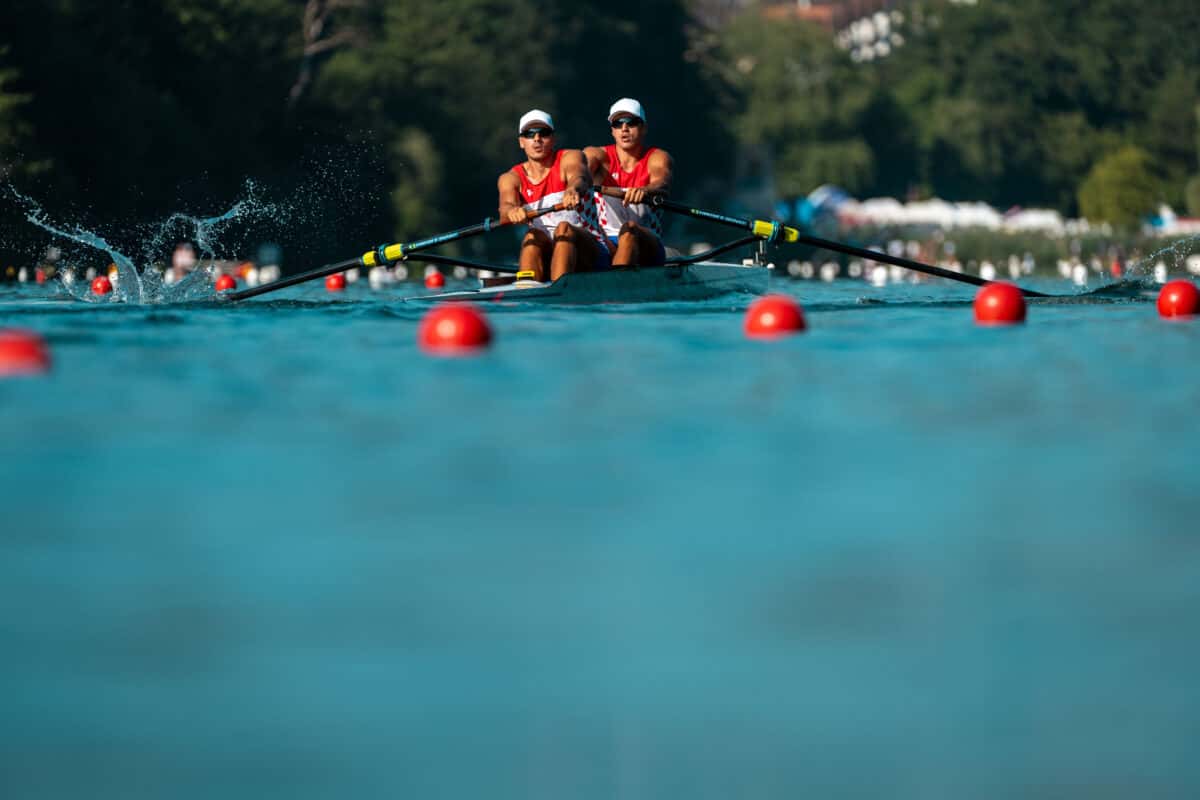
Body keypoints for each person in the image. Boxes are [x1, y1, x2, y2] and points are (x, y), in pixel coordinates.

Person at [497, 110, 610, 282]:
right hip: (548, 252)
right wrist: (512, 211)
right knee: (531, 236)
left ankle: (558, 293)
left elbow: (580, 176)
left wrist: (573, 189)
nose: (537, 139)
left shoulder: (570, 157)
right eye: (529, 134)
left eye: (543, 133)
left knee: (563, 228)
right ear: (521, 142)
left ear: (553, 138)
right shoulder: (510, 178)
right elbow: (505, 206)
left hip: (591, 251)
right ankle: (527, 288)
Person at [584, 98, 674, 267]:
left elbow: (662, 183)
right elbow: (581, 169)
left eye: (631, 123)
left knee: (629, 229)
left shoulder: (657, 157)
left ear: (644, 128)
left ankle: (617, 283)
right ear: (612, 131)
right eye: (618, 123)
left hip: (647, 243)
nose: (624, 128)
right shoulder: (598, 156)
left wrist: (645, 191)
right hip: (606, 241)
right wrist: (577, 183)